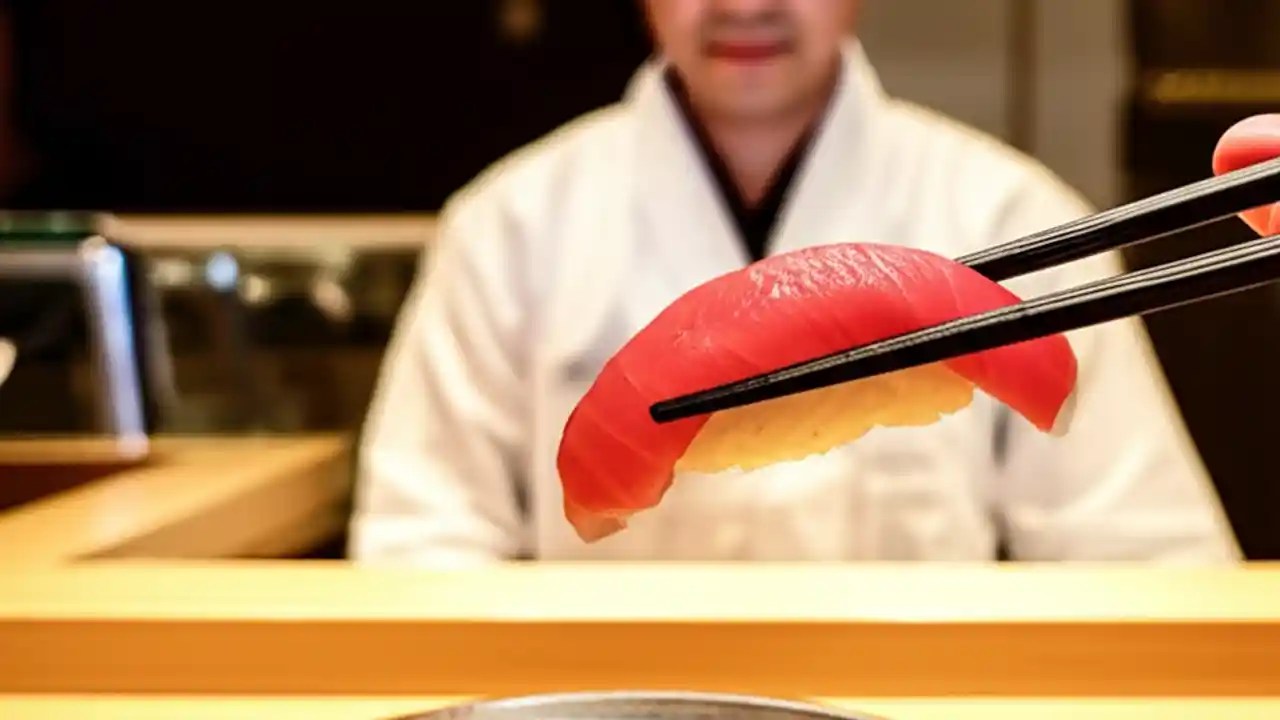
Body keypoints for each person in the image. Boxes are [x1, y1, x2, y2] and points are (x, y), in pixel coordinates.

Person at [349, 0, 1242, 566]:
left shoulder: (1005, 206)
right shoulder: (509, 221)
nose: (746, 5)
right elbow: (421, 545)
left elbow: (1139, 555)